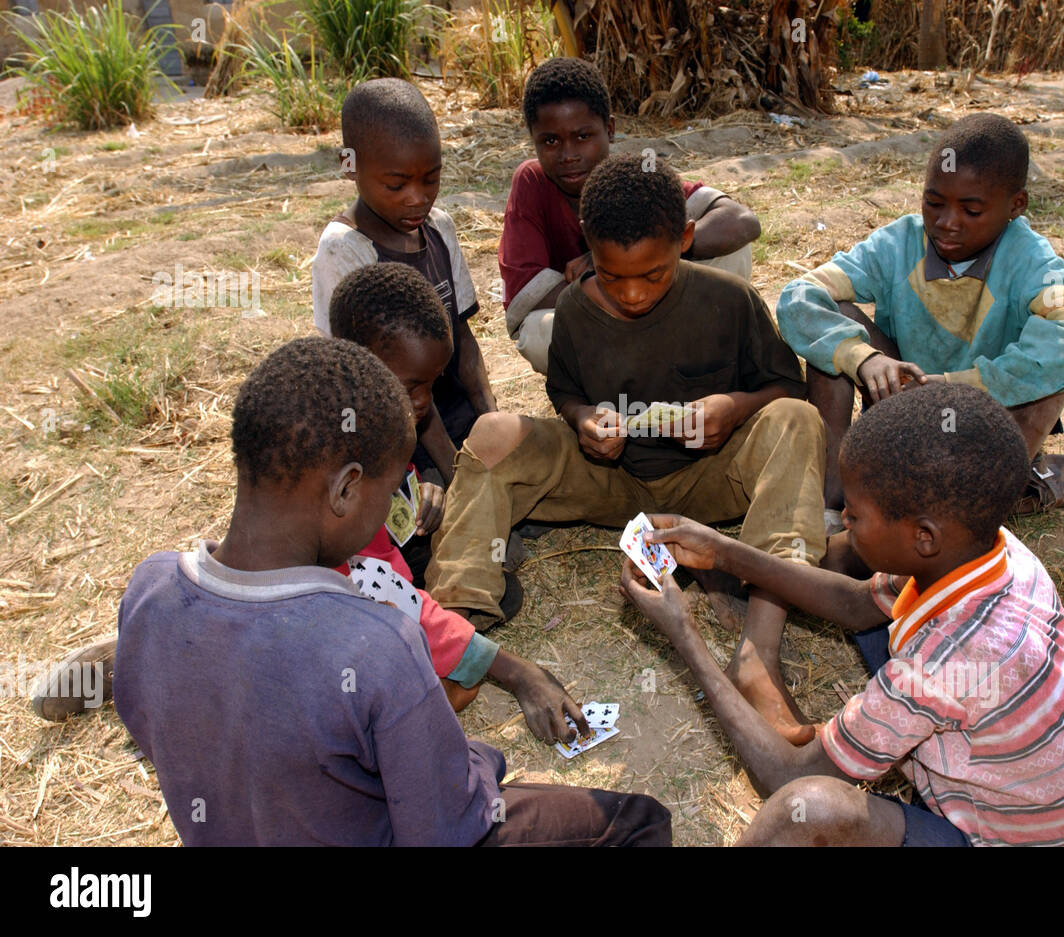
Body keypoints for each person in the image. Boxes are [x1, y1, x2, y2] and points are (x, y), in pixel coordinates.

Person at [114, 337, 671, 846]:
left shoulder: (149, 589)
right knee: (640, 823)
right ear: (347, 490)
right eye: (387, 495)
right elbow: (445, 827)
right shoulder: (377, 643)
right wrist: (481, 759)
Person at [429, 154, 827, 746]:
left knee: (795, 420)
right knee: (491, 435)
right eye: (613, 277)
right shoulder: (574, 308)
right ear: (587, 249)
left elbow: (786, 387)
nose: (633, 293)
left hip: (710, 482)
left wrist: (733, 408)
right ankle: (455, 636)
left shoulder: (728, 299)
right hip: (610, 480)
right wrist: (583, 419)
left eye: (654, 275)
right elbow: (563, 392)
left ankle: (758, 655)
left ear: (685, 240)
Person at [620, 383, 1064, 846]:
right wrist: (723, 551)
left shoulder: (937, 666)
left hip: (1013, 839)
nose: (843, 520)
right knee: (874, 608)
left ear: (924, 536)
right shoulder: (999, 552)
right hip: (1043, 793)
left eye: (855, 514)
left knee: (805, 808)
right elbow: (857, 604)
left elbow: (788, 776)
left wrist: (685, 636)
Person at [776, 113, 1064, 534]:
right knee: (835, 326)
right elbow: (799, 295)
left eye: (971, 210)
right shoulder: (899, 243)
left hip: (981, 426)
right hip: (902, 407)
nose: (947, 222)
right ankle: (835, 502)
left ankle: (993, 498)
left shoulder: (1031, 261)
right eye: (934, 203)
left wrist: (957, 386)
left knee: (1050, 379)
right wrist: (863, 359)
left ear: (1016, 206)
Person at [328, 262, 586, 742]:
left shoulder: (382, 427)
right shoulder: (335, 456)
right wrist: (512, 670)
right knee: (455, 681)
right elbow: (373, 581)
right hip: (339, 606)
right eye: (410, 386)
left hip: (376, 573)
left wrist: (418, 491)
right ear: (355, 361)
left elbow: (388, 559)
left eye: (431, 384)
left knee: (498, 594)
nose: (423, 402)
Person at [499, 56, 762, 374]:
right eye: (551, 141)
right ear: (533, 140)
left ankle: (673, 362)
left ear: (609, 129)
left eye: (583, 136)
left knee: (732, 252)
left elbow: (741, 221)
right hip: (599, 322)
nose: (569, 155)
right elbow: (526, 298)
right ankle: (656, 365)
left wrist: (636, 261)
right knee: (539, 333)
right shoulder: (531, 182)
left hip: (658, 305)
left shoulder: (634, 173)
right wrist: (606, 278)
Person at [311, 77, 495, 507]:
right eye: (396, 185)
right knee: (430, 513)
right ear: (349, 165)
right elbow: (376, 386)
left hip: (455, 415)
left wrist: (492, 420)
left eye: (431, 179)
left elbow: (465, 342)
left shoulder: (439, 228)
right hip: (394, 432)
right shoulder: (344, 251)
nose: (418, 199)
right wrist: (455, 472)